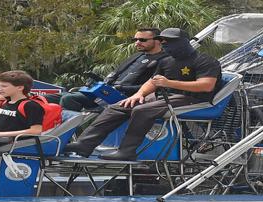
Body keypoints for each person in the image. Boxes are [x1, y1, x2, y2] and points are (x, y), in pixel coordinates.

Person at [63, 28, 221, 162]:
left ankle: (127, 151)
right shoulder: (167, 61)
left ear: (184, 42)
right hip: (168, 98)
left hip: (195, 100)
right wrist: (138, 95)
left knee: (142, 110)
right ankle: (84, 144)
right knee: (119, 106)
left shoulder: (205, 60)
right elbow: (153, 82)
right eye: (163, 41)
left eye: (170, 41)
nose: (165, 44)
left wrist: (169, 83)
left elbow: (206, 86)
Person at [60, 28, 164, 113]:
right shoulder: (137, 55)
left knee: (68, 99)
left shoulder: (164, 60)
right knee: (54, 97)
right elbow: (115, 74)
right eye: (135, 40)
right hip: (104, 92)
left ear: (158, 40)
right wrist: (98, 82)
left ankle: (73, 131)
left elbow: (154, 86)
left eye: (142, 40)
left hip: (122, 98)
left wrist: (121, 88)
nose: (137, 43)